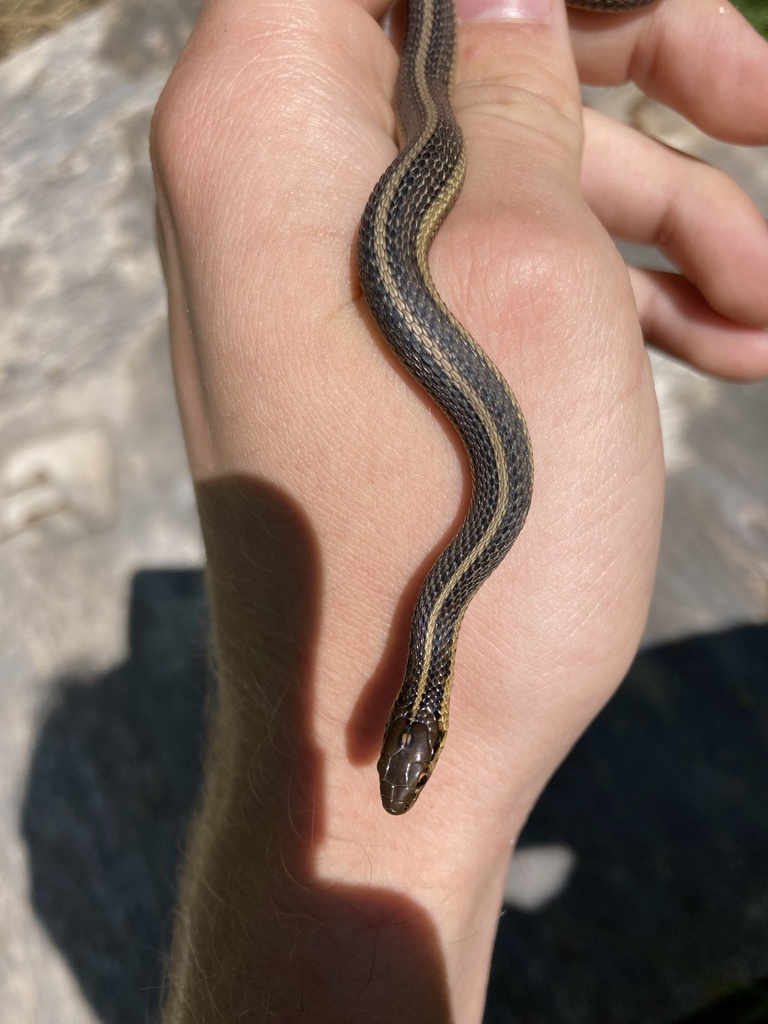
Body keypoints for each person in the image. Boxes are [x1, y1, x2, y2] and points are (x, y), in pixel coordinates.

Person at [150, 0, 768, 1020]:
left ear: (412, 710)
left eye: (408, 753)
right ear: (414, 719)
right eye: (411, 756)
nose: (401, 762)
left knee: (438, 103)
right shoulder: (465, 565)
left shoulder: (469, 576)